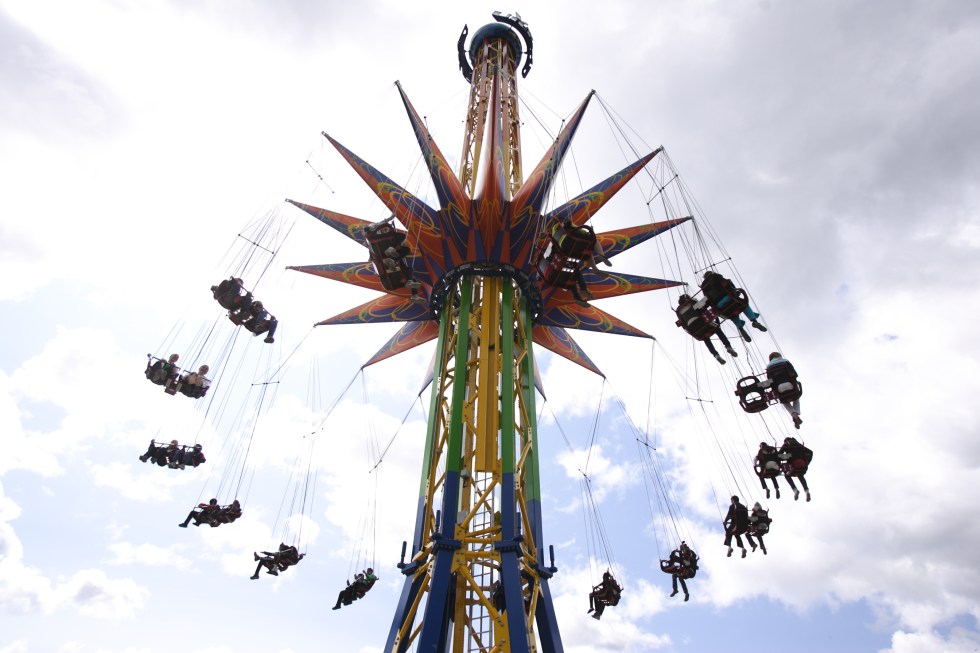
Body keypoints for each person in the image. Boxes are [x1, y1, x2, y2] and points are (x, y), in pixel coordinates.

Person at [699, 270, 766, 341]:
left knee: (732, 314)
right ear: (712, 273)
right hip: (729, 298)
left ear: (704, 278)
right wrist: (736, 292)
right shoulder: (717, 276)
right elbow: (729, 284)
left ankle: (740, 328)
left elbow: (707, 299)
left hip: (719, 306)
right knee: (744, 305)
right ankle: (754, 321)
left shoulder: (704, 287)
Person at [675, 294, 738, 364]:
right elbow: (703, 303)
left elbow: (683, 324)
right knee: (717, 329)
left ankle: (716, 354)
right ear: (687, 298)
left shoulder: (679, 311)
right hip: (701, 322)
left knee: (705, 337)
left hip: (693, 329)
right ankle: (728, 346)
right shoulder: (691, 302)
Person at [766, 352, 802, 428]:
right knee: (796, 396)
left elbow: (770, 382)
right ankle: (796, 413)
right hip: (791, 385)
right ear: (779, 356)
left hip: (779, 389)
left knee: (784, 400)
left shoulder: (768, 367)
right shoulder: (785, 362)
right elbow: (795, 374)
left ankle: (793, 414)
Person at [779, 437, 812, 501]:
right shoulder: (799, 445)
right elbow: (810, 452)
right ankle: (807, 491)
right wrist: (807, 462)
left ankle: (795, 490)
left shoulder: (786, 444)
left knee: (787, 475)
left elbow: (779, 455)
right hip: (803, 466)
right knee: (800, 475)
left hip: (793, 466)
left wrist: (786, 457)